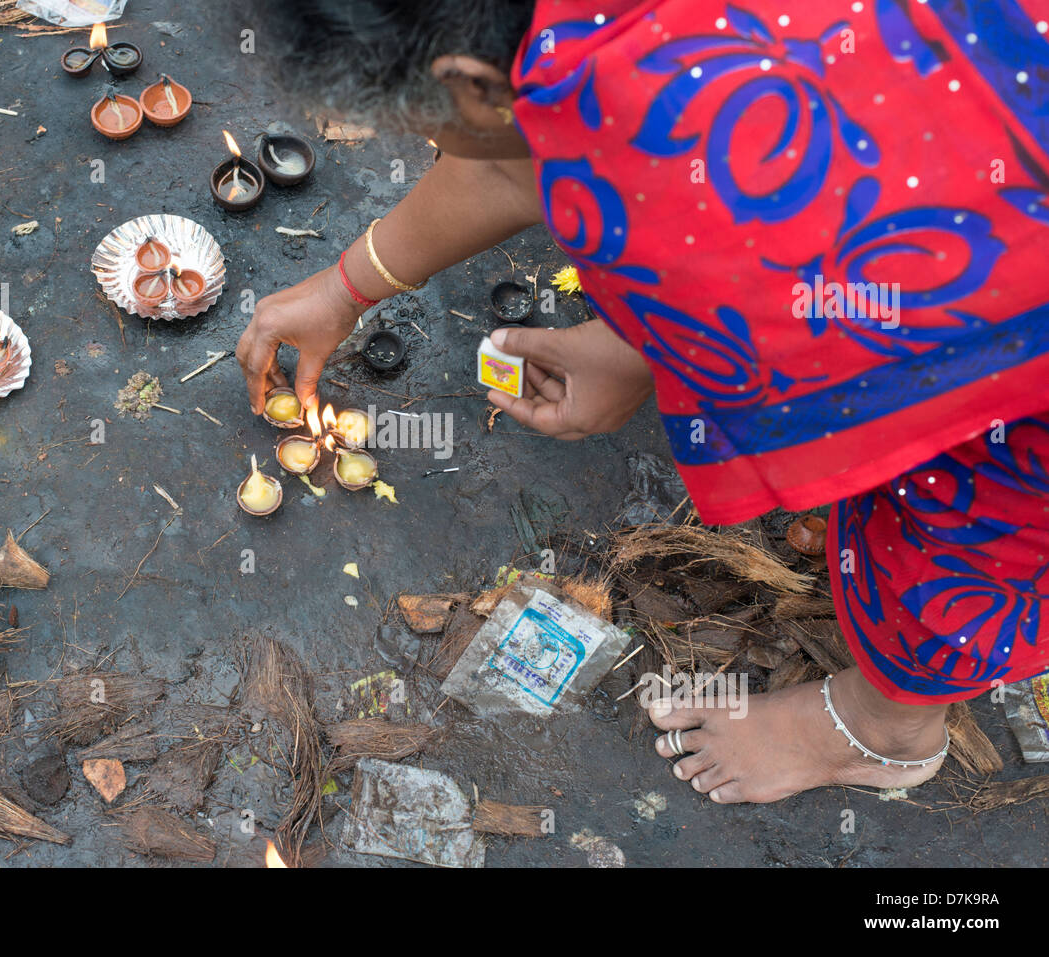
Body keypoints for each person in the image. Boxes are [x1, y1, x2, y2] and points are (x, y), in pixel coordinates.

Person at [236, 0, 1049, 803]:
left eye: (419, 123)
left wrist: (658, 351)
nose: (424, 141)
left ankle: (888, 733)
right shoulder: (602, 52)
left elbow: (802, 320)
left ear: (473, 84)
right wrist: (350, 284)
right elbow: (512, 157)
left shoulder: (740, 212)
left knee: (965, 486)